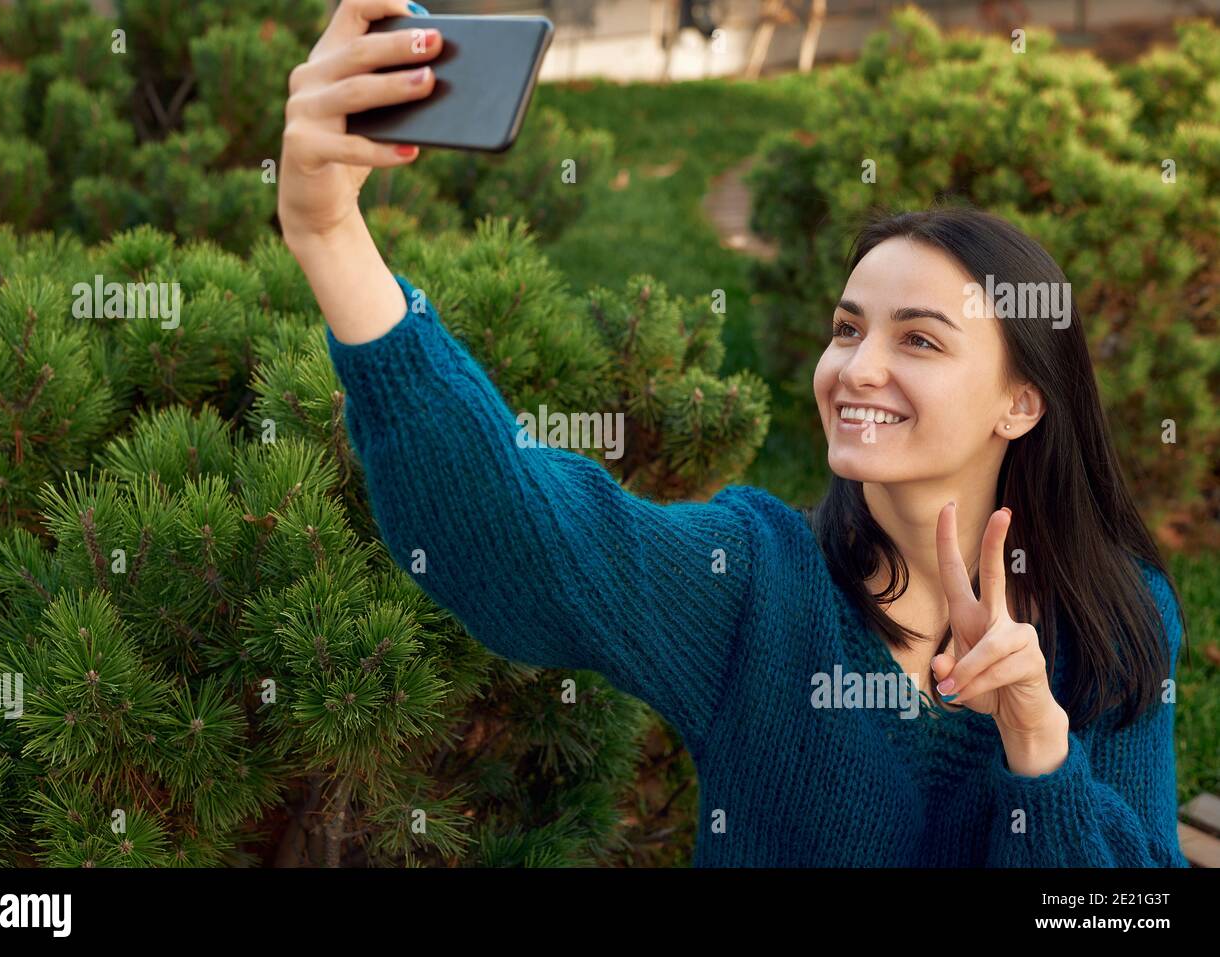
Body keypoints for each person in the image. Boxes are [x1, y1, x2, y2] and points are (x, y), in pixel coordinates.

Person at [277, 0, 1191, 866]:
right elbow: (522, 532)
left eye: (918, 337)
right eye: (846, 328)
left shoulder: (1116, 623)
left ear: (1022, 402)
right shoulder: (757, 582)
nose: (856, 368)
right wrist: (329, 233)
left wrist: (1037, 742)